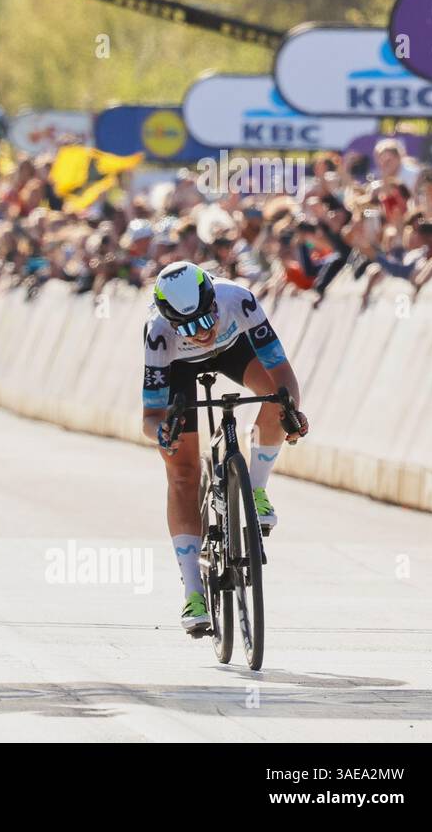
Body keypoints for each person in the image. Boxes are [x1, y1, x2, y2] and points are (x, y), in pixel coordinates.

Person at [141, 261, 310, 633]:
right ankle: (193, 591)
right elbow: (149, 418)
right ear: (170, 322)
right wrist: (163, 433)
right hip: (179, 367)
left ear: (213, 301)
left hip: (234, 348)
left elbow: (281, 370)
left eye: (206, 320)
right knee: (182, 473)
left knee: (278, 400)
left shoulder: (237, 299)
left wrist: (292, 412)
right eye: (189, 327)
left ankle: (256, 489)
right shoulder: (158, 332)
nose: (202, 333)